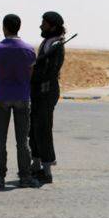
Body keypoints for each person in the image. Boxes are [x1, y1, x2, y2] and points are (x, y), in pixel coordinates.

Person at [0, 14, 39, 189]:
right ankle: (25, 176)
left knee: (0, 139)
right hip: (22, 96)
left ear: (4, 27)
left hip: (2, 95)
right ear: (19, 27)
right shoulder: (29, 49)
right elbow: (30, 74)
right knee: (22, 140)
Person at [29, 11, 66, 185]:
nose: (41, 26)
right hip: (38, 91)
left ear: (52, 26)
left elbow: (48, 72)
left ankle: (47, 170)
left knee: (43, 128)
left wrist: (32, 73)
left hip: (47, 90)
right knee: (34, 128)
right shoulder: (48, 42)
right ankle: (35, 164)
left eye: (44, 23)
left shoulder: (57, 45)